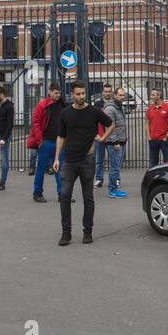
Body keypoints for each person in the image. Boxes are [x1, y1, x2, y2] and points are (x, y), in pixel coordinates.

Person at [54, 80, 115, 245]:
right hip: (69, 161)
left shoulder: (93, 112)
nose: (81, 97)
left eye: (83, 94)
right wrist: (56, 158)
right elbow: (61, 136)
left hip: (87, 160)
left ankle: (87, 231)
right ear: (72, 94)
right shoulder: (65, 113)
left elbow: (111, 124)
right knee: (65, 195)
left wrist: (102, 138)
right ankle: (66, 233)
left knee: (88, 197)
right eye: (78, 94)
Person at [32, 83, 65, 203]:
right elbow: (35, 123)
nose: (58, 95)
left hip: (59, 142)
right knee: (41, 168)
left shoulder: (62, 104)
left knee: (60, 169)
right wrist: (40, 141)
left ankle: (62, 194)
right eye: (56, 92)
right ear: (50, 92)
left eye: (59, 92)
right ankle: (37, 193)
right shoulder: (42, 105)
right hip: (46, 141)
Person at [102, 87, 129, 198]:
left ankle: (113, 187)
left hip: (121, 141)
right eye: (120, 95)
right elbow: (109, 126)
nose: (122, 97)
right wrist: (115, 141)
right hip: (115, 143)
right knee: (114, 167)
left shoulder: (119, 106)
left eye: (123, 95)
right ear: (115, 95)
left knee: (116, 166)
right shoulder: (110, 108)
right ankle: (113, 190)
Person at [146, 88, 168, 166]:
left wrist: (167, 136)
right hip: (153, 140)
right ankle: (154, 178)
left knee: (167, 162)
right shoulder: (149, 109)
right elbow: (147, 123)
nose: (151, 96)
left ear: (158, 96)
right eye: (151, 94)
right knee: (153, 163)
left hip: (164, 140)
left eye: (153, 95)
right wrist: (149, 136)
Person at [93, 83, 114, 188]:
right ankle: (99, 179)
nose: (108, 93)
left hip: (112, 137)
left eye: (109, 91)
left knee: (114, 160)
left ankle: (115, 180)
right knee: (99, 159)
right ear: (102, 92)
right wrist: (95, 134)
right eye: (106, 91)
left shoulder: (115, 103)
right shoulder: (97, 104)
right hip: (100, 136)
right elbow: (93, 120)